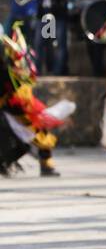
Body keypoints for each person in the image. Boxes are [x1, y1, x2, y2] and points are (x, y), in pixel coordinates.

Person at [0, 19, 74, 176]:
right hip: (6, 98)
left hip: (13, 97)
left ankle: (46, 163)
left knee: (35, 124)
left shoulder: (6, 49)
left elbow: (18, 71)